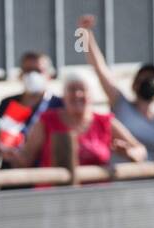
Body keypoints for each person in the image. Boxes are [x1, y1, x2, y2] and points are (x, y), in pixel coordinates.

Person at [75, 15, 154, 163]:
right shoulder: (121, 105)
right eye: (144, 78)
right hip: (123, 181)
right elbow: (101, 70)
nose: (149, 82)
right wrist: (85, 34)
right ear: (134, 84)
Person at [17, 72, 147, 173]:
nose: (77, 94)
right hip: (54, 197)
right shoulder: (46, 121)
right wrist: (9, 152)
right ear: (64, 95)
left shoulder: (105, 122)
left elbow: (140, 149)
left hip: (96, 198)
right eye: (72, 89)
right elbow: (25, 159)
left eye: (83, 90)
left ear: (91, 95)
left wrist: (131, 154)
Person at [0, 51, 64, 175]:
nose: (32, 75)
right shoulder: (8, 103)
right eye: (28, 70)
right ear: (21, 75)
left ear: (48, 75)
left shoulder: (57, 105)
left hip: (43, 178)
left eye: (38, 71)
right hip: (10, 178)